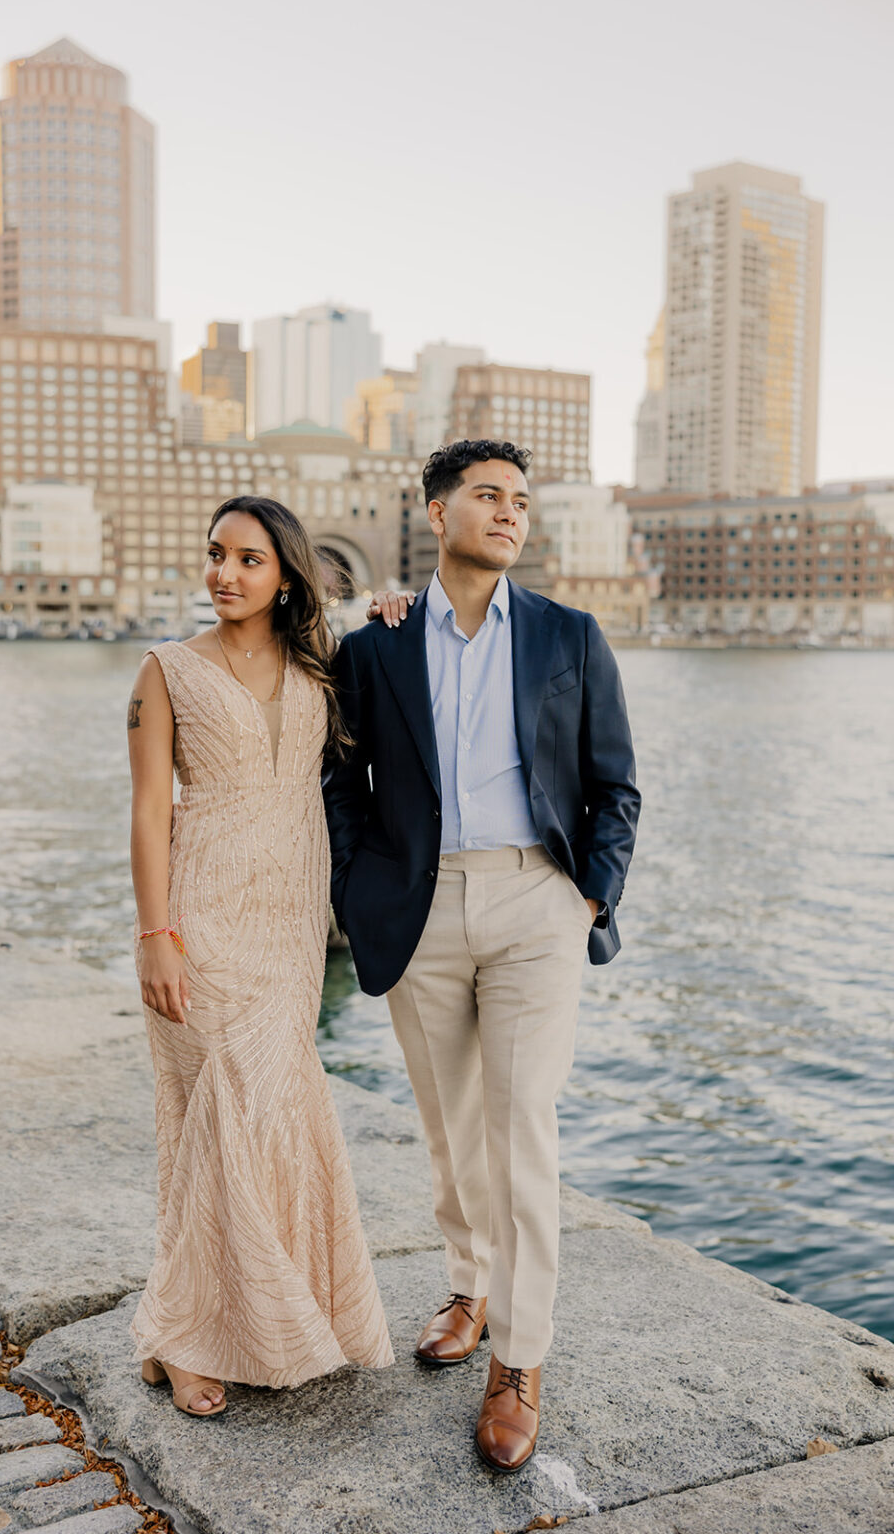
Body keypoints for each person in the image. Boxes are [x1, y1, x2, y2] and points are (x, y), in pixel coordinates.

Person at [324, 439, 640, 1472]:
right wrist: (351, 882)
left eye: (520, 500)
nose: (508, 513)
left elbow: (614, 784)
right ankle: (469, 1284)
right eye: (487, 496)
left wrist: (589, 887)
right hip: (421, 907)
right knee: (450, 1125)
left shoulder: (568, 635)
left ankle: (520, 1359)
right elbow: (339, 779)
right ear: (434, 512)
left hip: (536, 902)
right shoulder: (376, 645)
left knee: (521, 1128)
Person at [126, 496, 395, 1416]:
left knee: (266, 1114)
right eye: (214, 555)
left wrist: (395, 611)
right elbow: (148, 814)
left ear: (285, 573)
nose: (223, 574)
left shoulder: (323, 669)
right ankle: (182, 1334)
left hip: (289, 925)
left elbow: (409, 693)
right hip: (200, 916)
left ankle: (238, 1318)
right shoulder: (165, 670)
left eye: (246, 559)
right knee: (213, 1116)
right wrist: (155, 934)